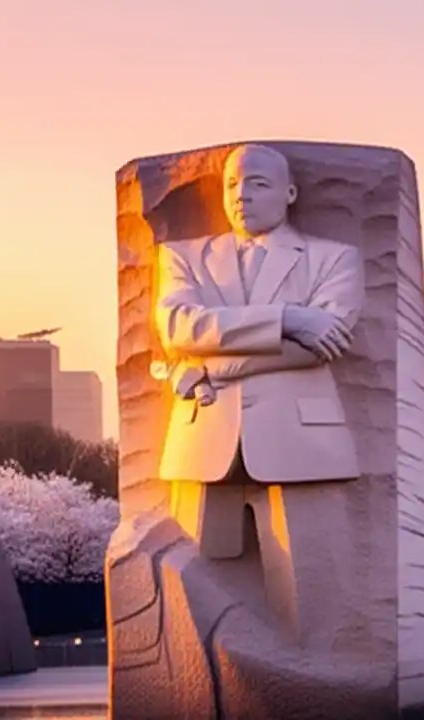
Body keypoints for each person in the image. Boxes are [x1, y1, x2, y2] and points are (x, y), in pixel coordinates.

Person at [152, 143, 365, 563]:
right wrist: (287, 319)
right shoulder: (183, 256)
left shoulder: (333, 258)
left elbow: (325, 343)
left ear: (290, 193)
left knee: (309, 575)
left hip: (303, 442)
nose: (241, 195)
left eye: (258, 184)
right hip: (203, 437)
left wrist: (212, 364)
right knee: (194, 575)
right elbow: (178, 326)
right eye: (231, 184)